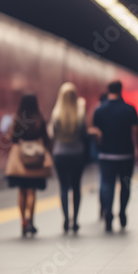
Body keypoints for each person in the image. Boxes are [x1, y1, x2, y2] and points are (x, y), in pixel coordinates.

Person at [92, 80, 138, 232]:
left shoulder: (99, 110)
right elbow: (136, 132)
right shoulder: (129, 109)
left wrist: (100, 148)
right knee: (125, 185)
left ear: (108, 90)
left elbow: (97, 134)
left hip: (106, 155)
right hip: (126, 155)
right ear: (121, 90)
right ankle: (122, 212)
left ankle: (108, 213)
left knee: (107, 185)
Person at [5, 94, 52, 237]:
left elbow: (12, 138)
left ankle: (22, 221)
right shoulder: (39, 119)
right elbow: (46, 138)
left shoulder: (18, 119)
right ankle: (31, 220)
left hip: (21, 158)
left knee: (22, 191)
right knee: (32, 191)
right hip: (35, 159)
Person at [50, 82, 88, 234]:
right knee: (77, 187)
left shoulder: (56, 113)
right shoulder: (80, 114)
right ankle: (76, 220)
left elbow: (52, 134)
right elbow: (84, 133)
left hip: (60, 154)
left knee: (64, 188)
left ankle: (66, 219)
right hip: (77, 154)